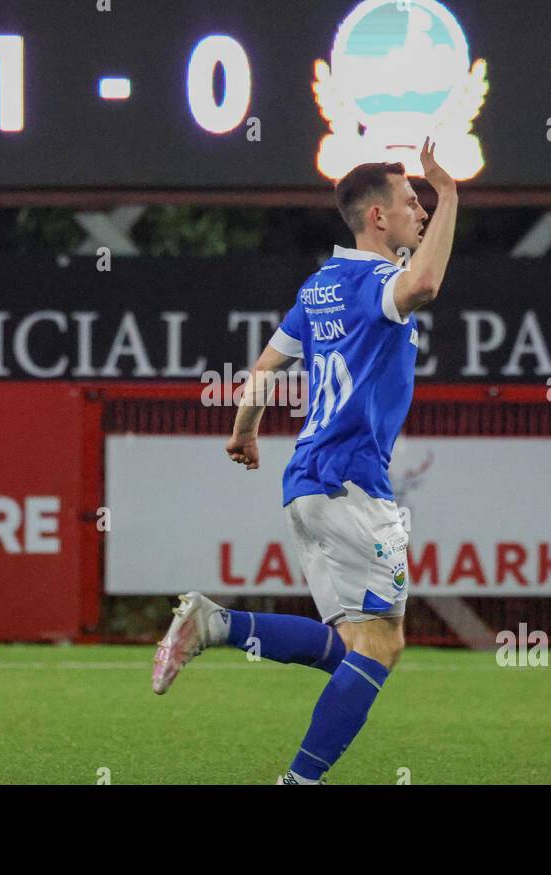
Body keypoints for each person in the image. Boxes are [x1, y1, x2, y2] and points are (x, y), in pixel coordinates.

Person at [152, 139, 460, 784]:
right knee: (381, 644)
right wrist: (453, 193)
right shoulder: (376, 282)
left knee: (353, 647)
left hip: (307, 483)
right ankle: (298, 779)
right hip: (351, 482)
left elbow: (264, 369)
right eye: (412, 202)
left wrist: (244, 434)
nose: (421, 211)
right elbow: (426, 283)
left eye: (426, 202)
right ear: (377, 217)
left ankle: (219, 624)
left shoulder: (319, 287)